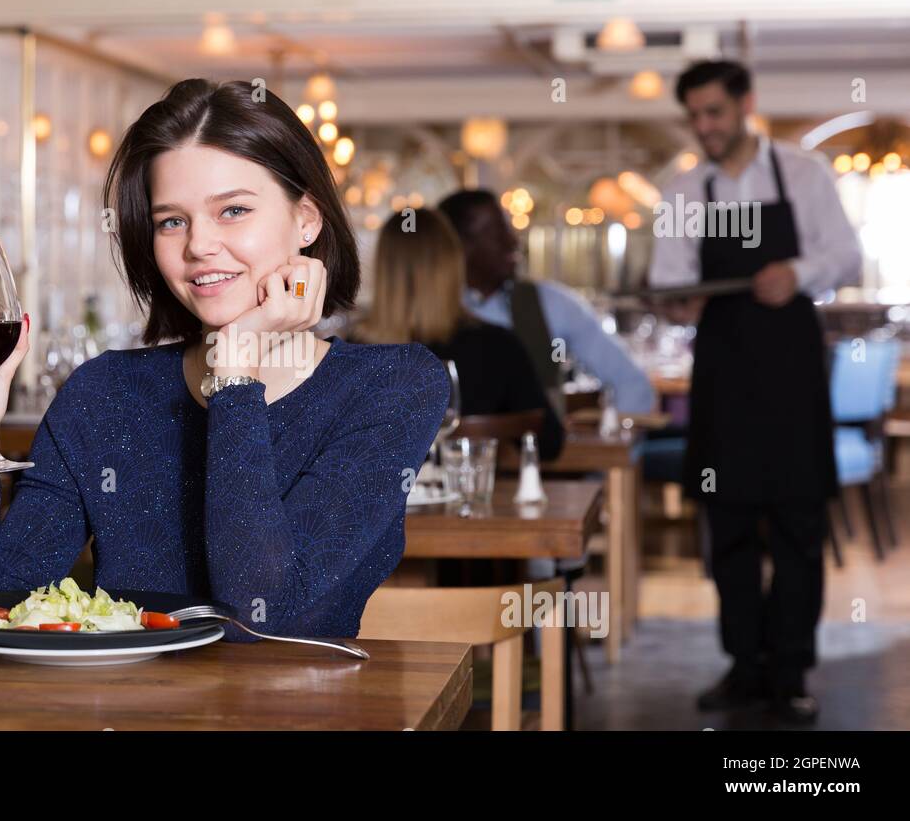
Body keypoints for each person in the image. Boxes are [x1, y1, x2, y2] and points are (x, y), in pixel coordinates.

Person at [0, 79, 450, 639]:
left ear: (307, 220)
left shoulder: (394, 385)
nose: (198, 246)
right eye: (172, 220)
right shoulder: (105, 392)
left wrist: (236, 376)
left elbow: (267, 619)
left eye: (234, 210)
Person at [650, 60, 861, 724]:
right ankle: (744, 665)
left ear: (747, 104)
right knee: (729, 527)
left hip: (793, 376)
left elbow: (847, 256)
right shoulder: (686, 189)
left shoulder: (802, 173)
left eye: (715, 112)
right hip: (723, 376)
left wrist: (797, 270)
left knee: (799, 529)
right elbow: (668, 277)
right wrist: (678, 302)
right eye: (696, 116)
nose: (705, 127)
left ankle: (792, 670)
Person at [353, 207, 564, 460]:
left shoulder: (351, 351)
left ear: (383, 269)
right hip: (475, 496)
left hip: (380, 500)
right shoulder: (497, 346)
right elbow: (549, 444)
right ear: (454, 265)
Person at [438, 189, 655, 415]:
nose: (513, 240)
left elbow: (633, 385)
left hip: (539, 449)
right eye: (495, 232)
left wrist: (610, 440)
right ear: (458, 245)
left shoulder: (550, 303)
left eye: (508, 227)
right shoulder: (429, 312)